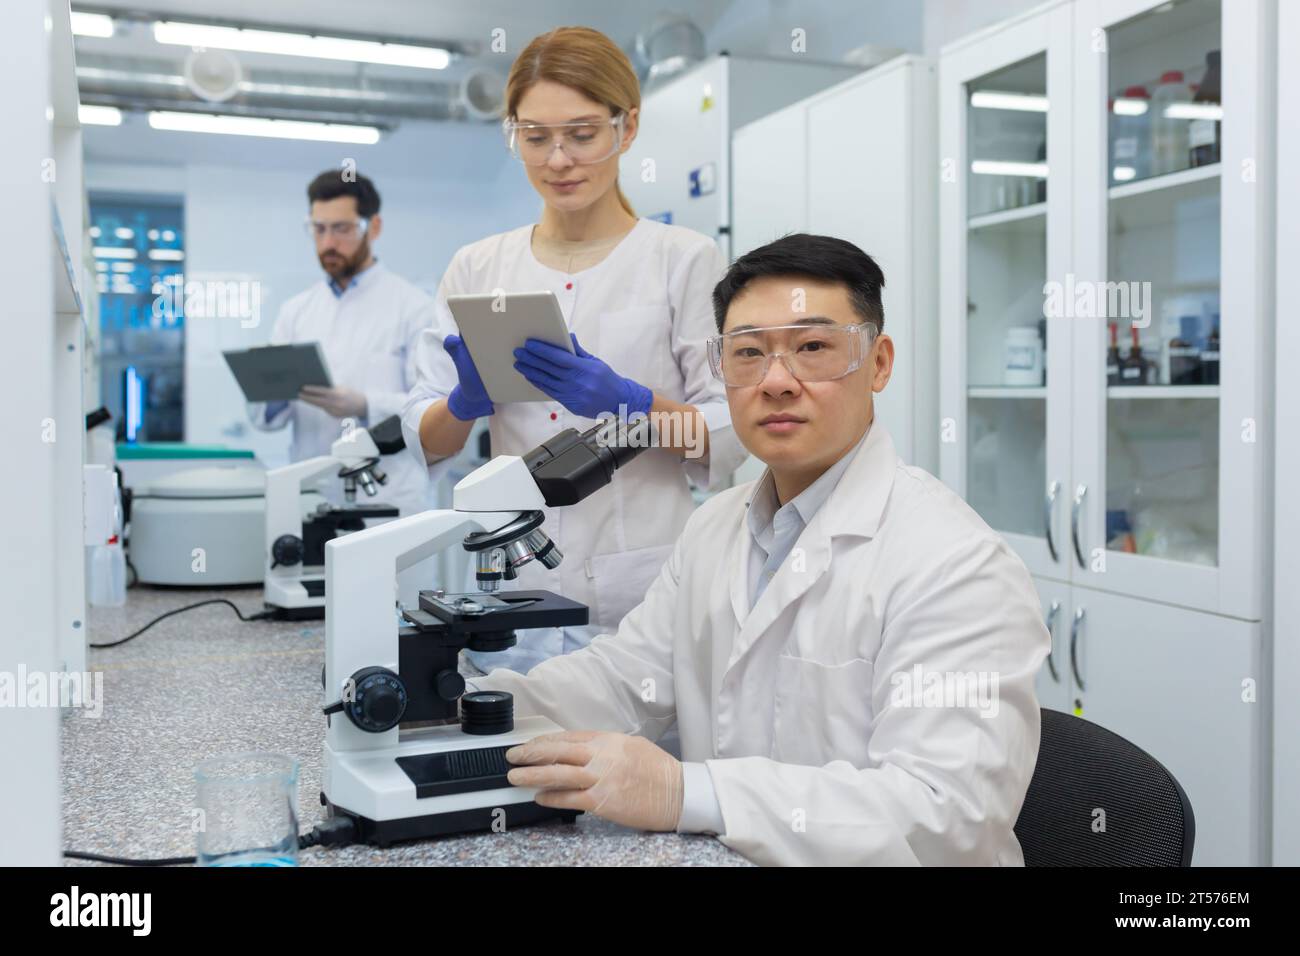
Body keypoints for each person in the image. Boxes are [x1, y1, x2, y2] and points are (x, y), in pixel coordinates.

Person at [472, 234, 1050, 866]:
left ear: (879, 363)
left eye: (813, 348)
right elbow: (622, 681)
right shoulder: (715, 525)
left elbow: (942, 813)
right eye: (747, 354)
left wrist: (682, 789)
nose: (776, 381)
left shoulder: (956, 564)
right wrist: (467, 708)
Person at [401, 27, 746, 673]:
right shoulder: (478, 266)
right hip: (511, 587)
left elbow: (731, 430)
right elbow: (426, 441)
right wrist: (465, 401)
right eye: (534, 137)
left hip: (642, 589)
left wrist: (633, 404)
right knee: (515, 753)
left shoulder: (683, 260)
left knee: (637, 762)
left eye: (582, 134)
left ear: (628, 127)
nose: (558, 159)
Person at [248, 169, 435, 519]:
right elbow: (266, 420)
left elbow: (431, 408)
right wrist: (270, 390)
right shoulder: (295, 311)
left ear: (373, 227)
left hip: (388, 499)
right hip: (312, 496)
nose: (328, 242)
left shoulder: (413, 307)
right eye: (318, 229)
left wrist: (364, 404)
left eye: (342, 229)